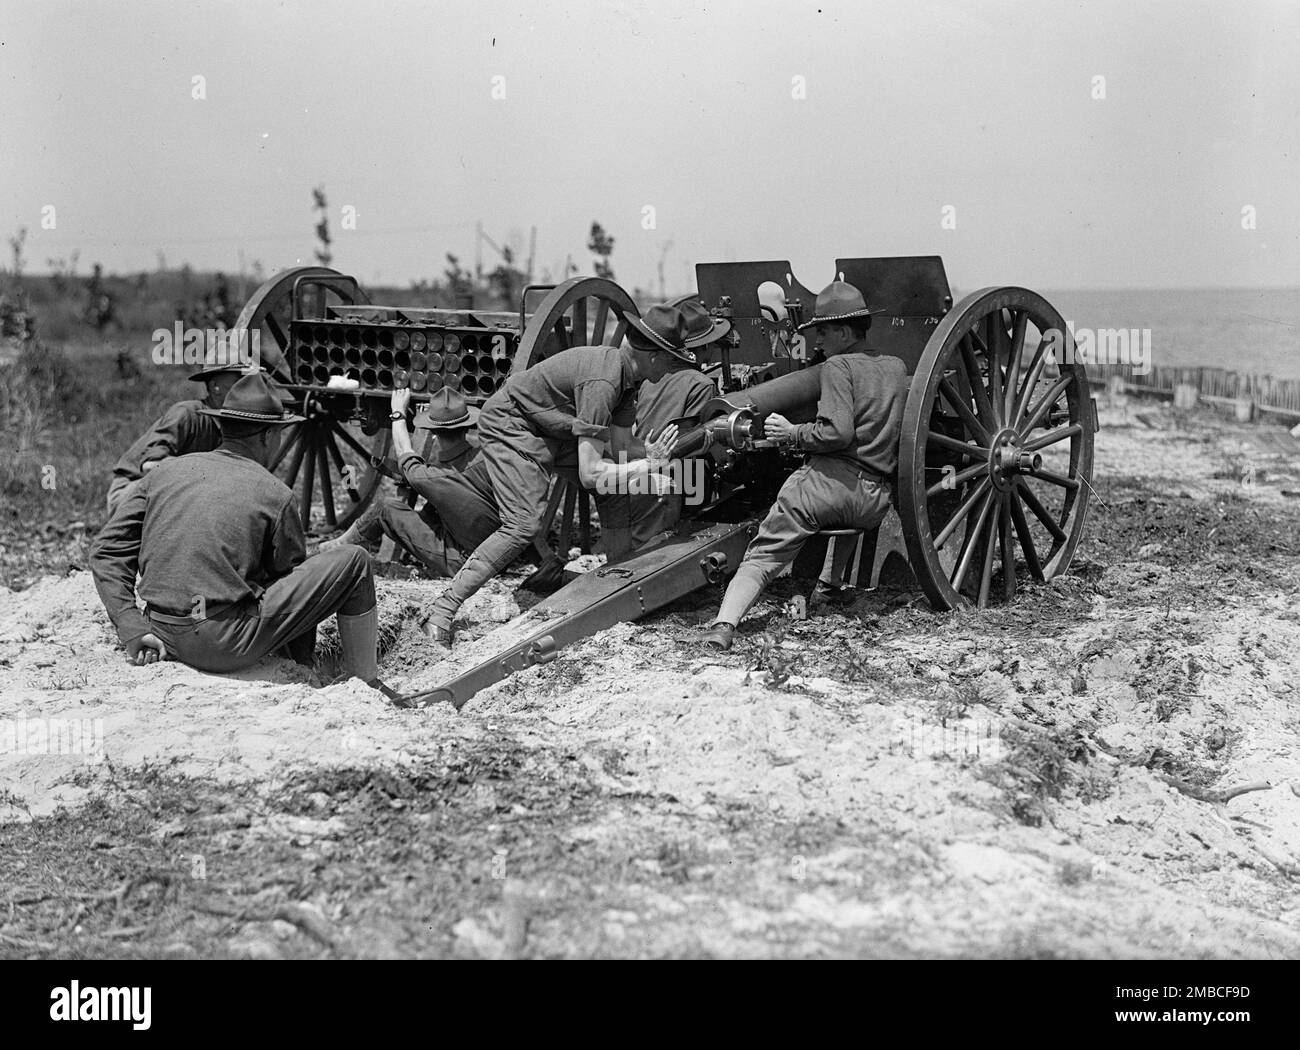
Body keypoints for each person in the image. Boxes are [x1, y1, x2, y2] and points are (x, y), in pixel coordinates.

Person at [89, 372, 396, 696]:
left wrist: (131, 626)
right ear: (267, 437)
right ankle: (366, 684)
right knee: (355, 561)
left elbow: (105, 552)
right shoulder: (274, 494)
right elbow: (292, 591)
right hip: (222, 644)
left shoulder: (164, 472)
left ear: (224, 425)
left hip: (160, 631)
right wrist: (301, 666)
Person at [419, 305, 692, 649]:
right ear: (653, 356)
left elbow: (622, 446)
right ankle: (442, 612)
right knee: (523, 524)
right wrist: (645, 469)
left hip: (550, 431)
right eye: (671, 358)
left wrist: (649, 455)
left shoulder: (626, 379)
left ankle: (618, 585)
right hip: (512, 426)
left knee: (615, 488)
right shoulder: (604, 381)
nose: (672, 367)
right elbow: (591, 473)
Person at [701, 281, 908, 651]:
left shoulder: (837, 367)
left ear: (845, 332)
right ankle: (819, 588)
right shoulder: (896, 367)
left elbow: (837, 433)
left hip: (828, 490)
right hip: (874, 500)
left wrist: (791, 432)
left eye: (824, 332)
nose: (818, 342)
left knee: (764, 552)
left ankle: (724, 624)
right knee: (815, 516)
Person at [322, 387, 501, 578]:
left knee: (385, 508)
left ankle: (340, 548)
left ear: (432, 431)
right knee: (434, 508)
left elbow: (404, 452)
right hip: (499, 555)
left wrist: (398, 412)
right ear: (468, 425)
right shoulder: (488, 456)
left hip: (465, 563)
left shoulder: (429, 477)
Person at [596, 296, 726, 556]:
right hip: (667, 486)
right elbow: (693, 445)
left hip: (628, 472)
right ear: (702, 349)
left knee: (622, 557)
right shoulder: (702, 384)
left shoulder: (646, 377)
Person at [104, 343, 290, 517]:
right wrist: (206, 476)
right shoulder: (187, 414)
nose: (247, 386)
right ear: (215, 386)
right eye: (239, 379)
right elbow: (151, 466)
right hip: (133, 491)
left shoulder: (235, 424)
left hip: (182, 494)